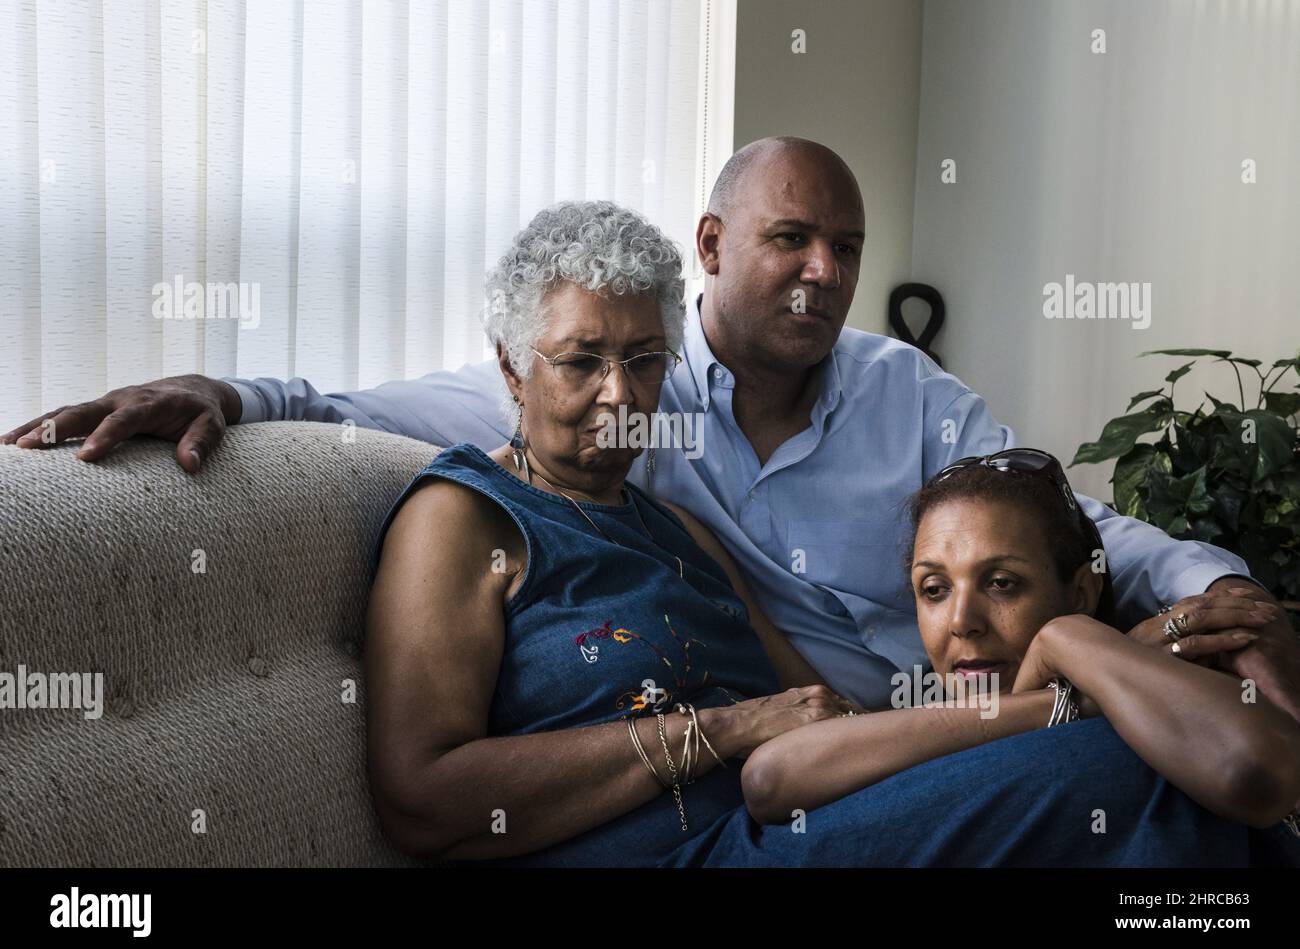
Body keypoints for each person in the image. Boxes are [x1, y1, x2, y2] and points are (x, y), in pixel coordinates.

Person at [6, 137, 1298, 722]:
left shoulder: (905, 393)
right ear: (713, 247)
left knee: (1189, 744)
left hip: (966, 700)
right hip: (842, 750)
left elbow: (1072, 512)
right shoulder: (627, 392)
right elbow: (370, 407)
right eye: (790, 238)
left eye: (845, 247)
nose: (823, 272)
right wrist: (232, 395)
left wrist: (1215, 580)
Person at [365, 199, 1276, 867]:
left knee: (1153, 763)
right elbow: (423, 801)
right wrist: (722, 729)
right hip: (687, 857)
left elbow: (831, 724)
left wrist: (1079, 668)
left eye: (645, 361)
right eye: (580, 362)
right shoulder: (463, 516)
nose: (621, 394)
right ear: (510, 368)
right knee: (1133, 770)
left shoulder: (678, 526)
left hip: (791, 823)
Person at [738, 448, 1300, 858]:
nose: (961, 623)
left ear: (1081, 592)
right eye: (934, 590)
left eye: (1002, 583)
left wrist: (1073, 640)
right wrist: (1062, 698)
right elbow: (770, 781)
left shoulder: (1167, 701)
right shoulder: (910, 729)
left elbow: (1257, 773)